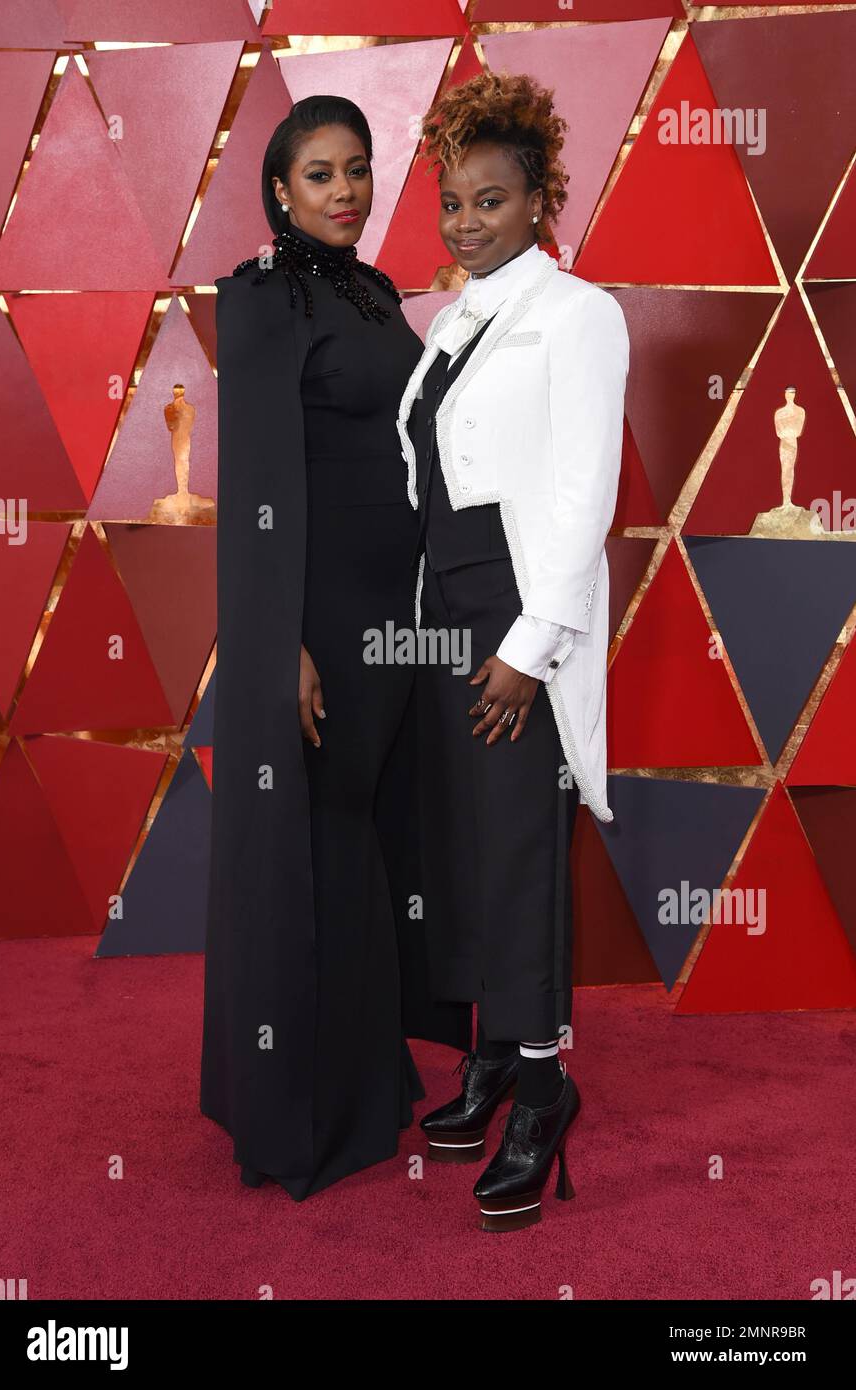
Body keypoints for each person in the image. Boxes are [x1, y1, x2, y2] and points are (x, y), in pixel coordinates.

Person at [200, 95, 469, 1202]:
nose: (344, 190)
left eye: (356, 169)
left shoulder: (372, 294)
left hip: (393, 616)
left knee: (362, 841)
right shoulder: (262, 301)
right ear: (278, 189)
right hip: (318, 626)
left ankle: (365, 1081)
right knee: (314, 845)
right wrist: (284, 648)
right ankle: (294, 1114)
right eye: (320, 174)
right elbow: (259, 489)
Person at [397, 71, 629, 1231]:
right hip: (447, 602)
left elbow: (586, 494)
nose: (465, 222)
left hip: (516, 615)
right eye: (452, 202)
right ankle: (495, 1051)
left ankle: (544, 1089)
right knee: (465, 842)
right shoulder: (453, 317)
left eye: (491, 201)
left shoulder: (578, 313)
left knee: (520, 854)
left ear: (540, 201)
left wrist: (527, 649)